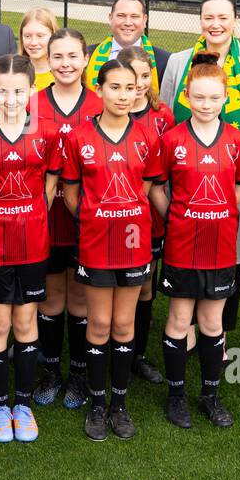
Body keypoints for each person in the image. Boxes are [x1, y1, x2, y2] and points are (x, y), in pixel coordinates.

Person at [159, 0, 240, 353]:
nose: (216, 24)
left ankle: (219, 331)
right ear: (201, 20)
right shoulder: (179, 62)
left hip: (234, 177)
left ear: (235, 20)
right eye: (209, 16)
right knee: (186, 253)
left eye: (223, 16)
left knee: (232, 254)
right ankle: (187, 327)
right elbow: (165, 112)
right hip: (185, 178)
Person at [61, 58, 163, 441]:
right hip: (95, 244)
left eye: (130, 87)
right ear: (99, 90)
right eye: (114, 87)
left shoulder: (148, 137)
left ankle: (119, 405)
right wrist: (96, 218)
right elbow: (71, 196)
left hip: (135, 244)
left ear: (139, 89)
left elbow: (148, 190)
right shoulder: (78, 138)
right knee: (99, 324)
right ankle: (97, 404)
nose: (122, 94)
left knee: (124, 324)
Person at [0, 55, 62, 444]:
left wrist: (32, 215)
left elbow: (51, 184)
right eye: (3, 90)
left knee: (26, 322)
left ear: (32, 90)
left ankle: (23, 404)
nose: (11, 98)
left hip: (34, 244)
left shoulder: (47, 133)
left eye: (19, 90)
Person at [151, 57, 240, 429]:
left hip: (220, 246)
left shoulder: (237, 142)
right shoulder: (173, 140)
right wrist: (177, 215)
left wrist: (214, 211)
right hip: (182, 245)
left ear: (226, 98)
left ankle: (210, 395)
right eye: (198, 97)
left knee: (212, 322)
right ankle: (176, 395)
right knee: (179, 318)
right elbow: (158, 189)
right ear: (188, 97)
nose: (206, 104)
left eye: (213, 98)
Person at [31, 28, 101, 409]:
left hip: (86, 219)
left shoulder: (100, 103)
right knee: (51, 297)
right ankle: (50, 370)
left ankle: (79, 373)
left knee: (79, 298)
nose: (65, 64)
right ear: (47, 58)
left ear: (86, 59)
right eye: (57, 57)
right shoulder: (31, 104)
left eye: (73, 56)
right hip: (44, 217)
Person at [121, 45, 174, 387]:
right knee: (115, 284)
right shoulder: (108, 109)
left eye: (144, 76)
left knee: (143, 287)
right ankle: (110, 347)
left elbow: (165, 171)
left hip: (149, 218)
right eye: (132, 76)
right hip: (113, 217)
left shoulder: (162, 116)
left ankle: (137, 354)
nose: (138, 83)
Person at [84, 0, 171, 92]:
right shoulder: (87, 56)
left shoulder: (165, 61)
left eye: (134, 16)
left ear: (144, 20)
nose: (128, 23)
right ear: (110, 18)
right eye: (121, 16)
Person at [19, 7, 58, 91]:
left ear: (53, 36)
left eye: (40, 36)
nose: (33, 42)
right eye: (27, 36)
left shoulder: (63, 75)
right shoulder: (14, 72)